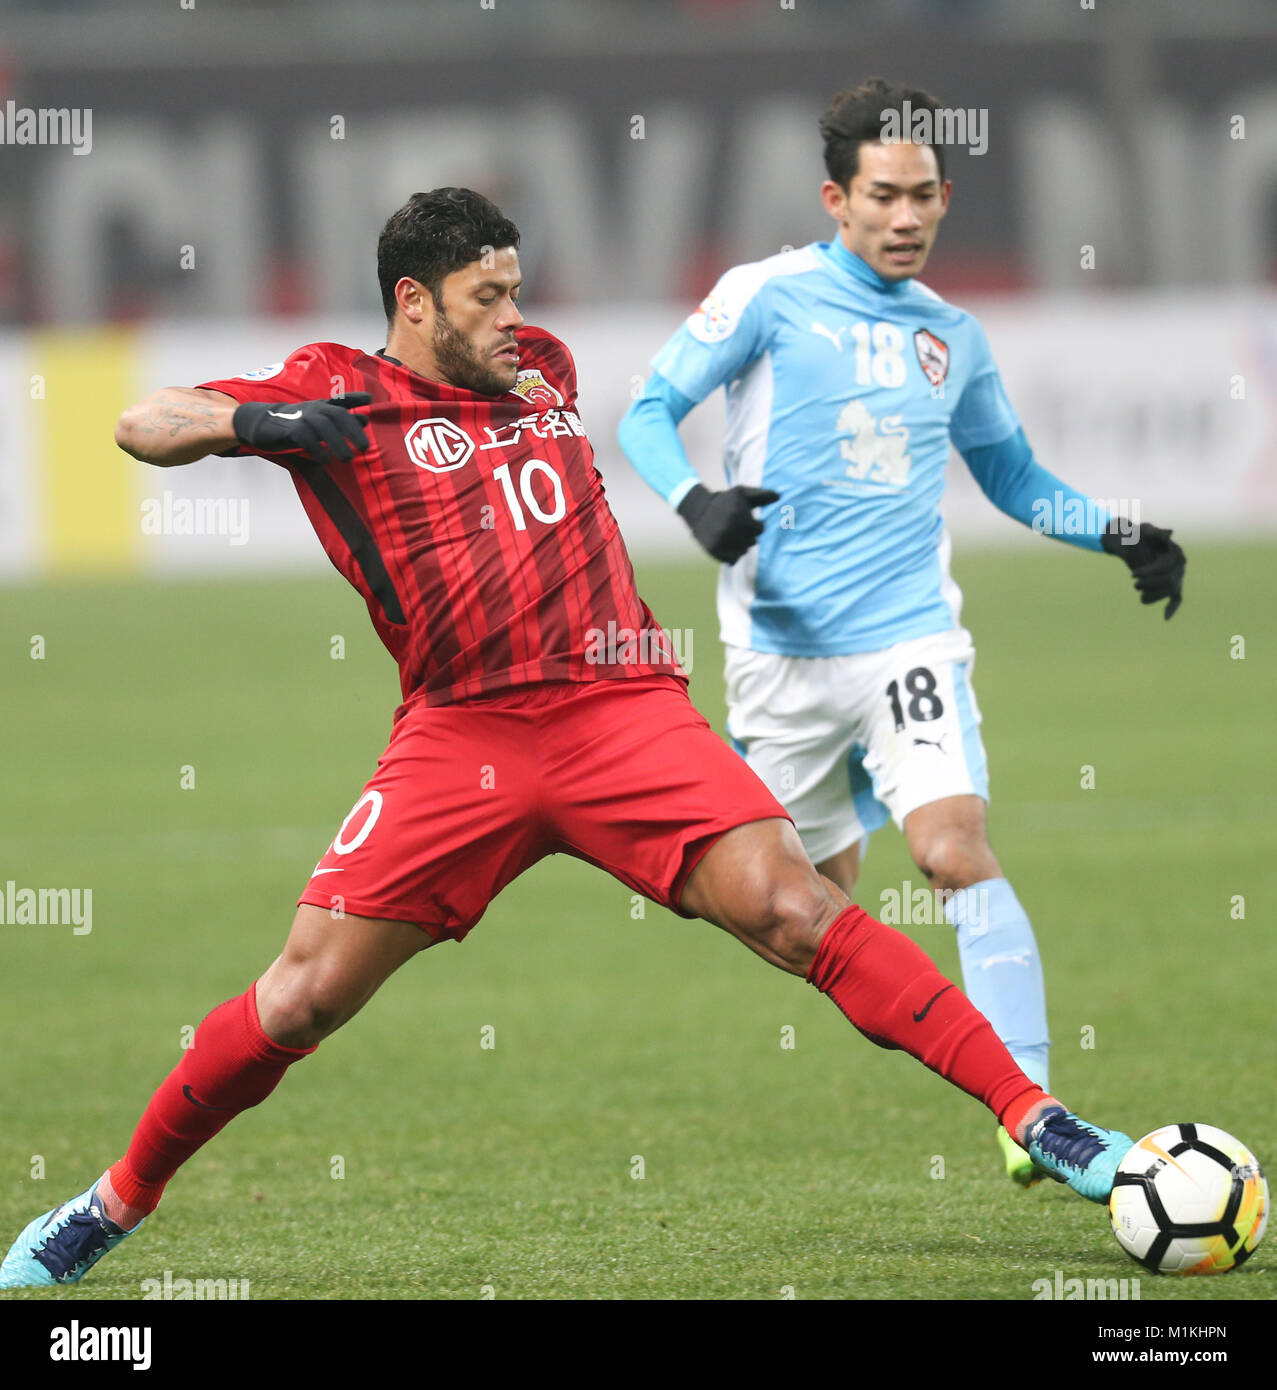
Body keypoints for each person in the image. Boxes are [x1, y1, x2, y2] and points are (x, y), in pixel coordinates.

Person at [1, 187, 1132, 1291]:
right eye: (483, 297)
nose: (512, 317)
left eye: (515, 290)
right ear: (414, 303)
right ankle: (114, 1201)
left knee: (796, 906)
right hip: (460, 732)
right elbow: (139, 422)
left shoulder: (540, 366)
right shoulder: (336, 391)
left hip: (618, 708)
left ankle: (1037, 1118)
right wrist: (260, 423)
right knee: (301, 997)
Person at [618, 78, 1184, 1185]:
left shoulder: (951, 337)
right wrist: (697, 505)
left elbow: (1010, 476)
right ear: (836, 197)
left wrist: (1115, 532)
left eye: (923, 196)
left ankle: (1030, 1111)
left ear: (943, 195)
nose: (905, 218)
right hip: (778, 661)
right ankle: (858, 837)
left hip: (906, 642)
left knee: (951, 850)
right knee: (799, 913)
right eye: (881, 196)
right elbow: (646, 408)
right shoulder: (767, 297)